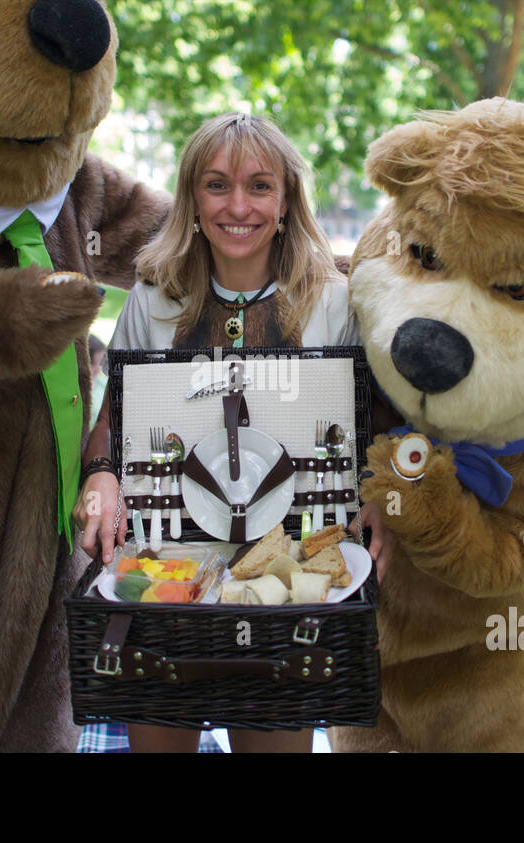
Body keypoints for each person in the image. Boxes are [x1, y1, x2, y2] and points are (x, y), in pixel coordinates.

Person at [73, 112, 392, 753]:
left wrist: (384, 490)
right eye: (217, 185)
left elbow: (373, 419)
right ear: (192, 197)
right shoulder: (152, 299)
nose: (237, 205)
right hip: (170, 571)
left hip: (288, 583)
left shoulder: (334, 300)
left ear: (286, 200)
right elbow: (115, 416)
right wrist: (101, 475)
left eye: (259, 186)